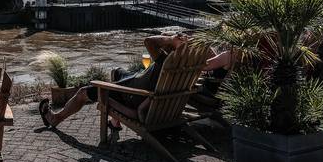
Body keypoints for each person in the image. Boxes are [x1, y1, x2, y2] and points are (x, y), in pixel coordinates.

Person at [38, 33, 232, 134]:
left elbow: (149, 41)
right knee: (118, 72)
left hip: (133, 98)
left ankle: (56, 118)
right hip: (157, 101)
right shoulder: (187, 68)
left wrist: (170, 39)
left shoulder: (166, 62)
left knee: (83, 92)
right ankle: (115, 124)